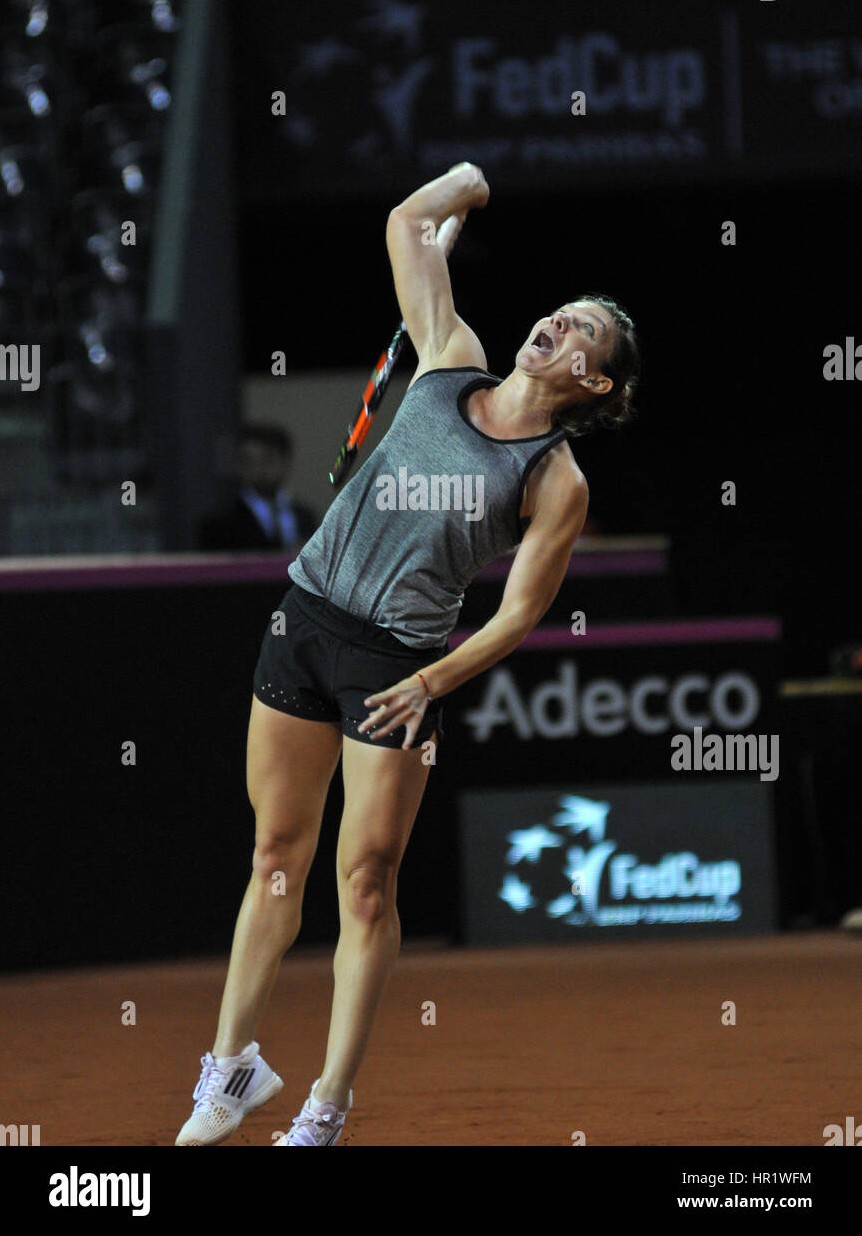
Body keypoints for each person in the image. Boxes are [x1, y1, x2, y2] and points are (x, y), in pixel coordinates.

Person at [175, 163, 640, 1147]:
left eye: (583, 334)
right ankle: (230, 1068)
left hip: (398, 663)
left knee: (366, 882)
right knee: (273, 856)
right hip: (304, 621)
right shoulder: (448, 354)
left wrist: (429, 681)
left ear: (591, 381)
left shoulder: (555, 480)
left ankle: (326, 1106)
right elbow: (405, 221)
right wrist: (463, 183)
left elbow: (517, 617)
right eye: (561, 312)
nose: (559, 324)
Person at [198, 425, 317, 553]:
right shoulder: (219, 524)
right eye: (249, 461)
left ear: (285, 461)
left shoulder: (305, 518)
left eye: (267, 460)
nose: (258, 469)